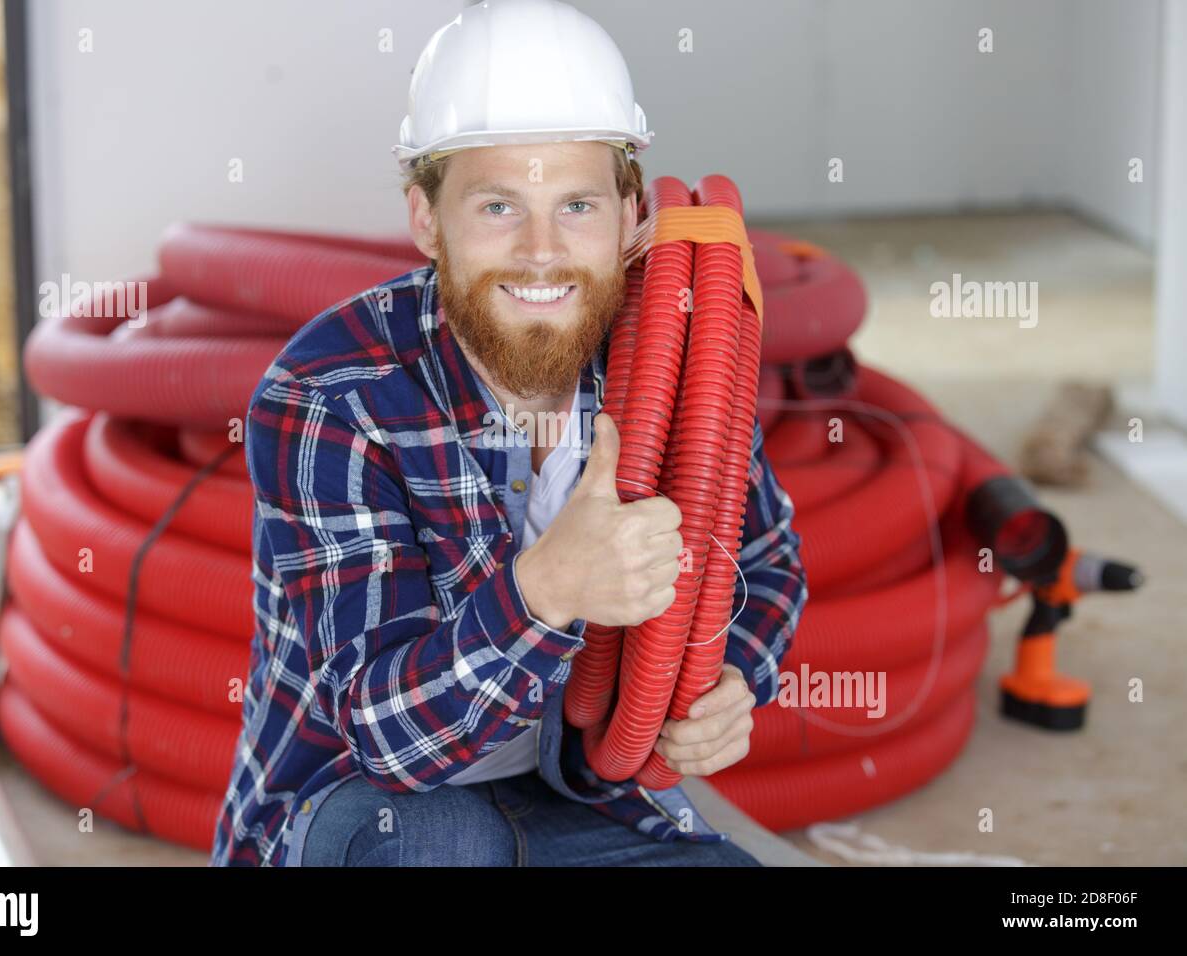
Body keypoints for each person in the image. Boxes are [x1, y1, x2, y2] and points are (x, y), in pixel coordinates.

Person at [211, 0, 807, 867]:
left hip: (577, 793)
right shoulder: (330, 392)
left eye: (576, 205)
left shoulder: (679, 363)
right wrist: (547, 589)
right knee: (444, 843)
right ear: (426, 220)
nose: (540, 251)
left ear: (631, 213)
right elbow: (387, 737)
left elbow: (767, 557)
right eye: (498, 206)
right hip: (365, 805)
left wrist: (732, 678)